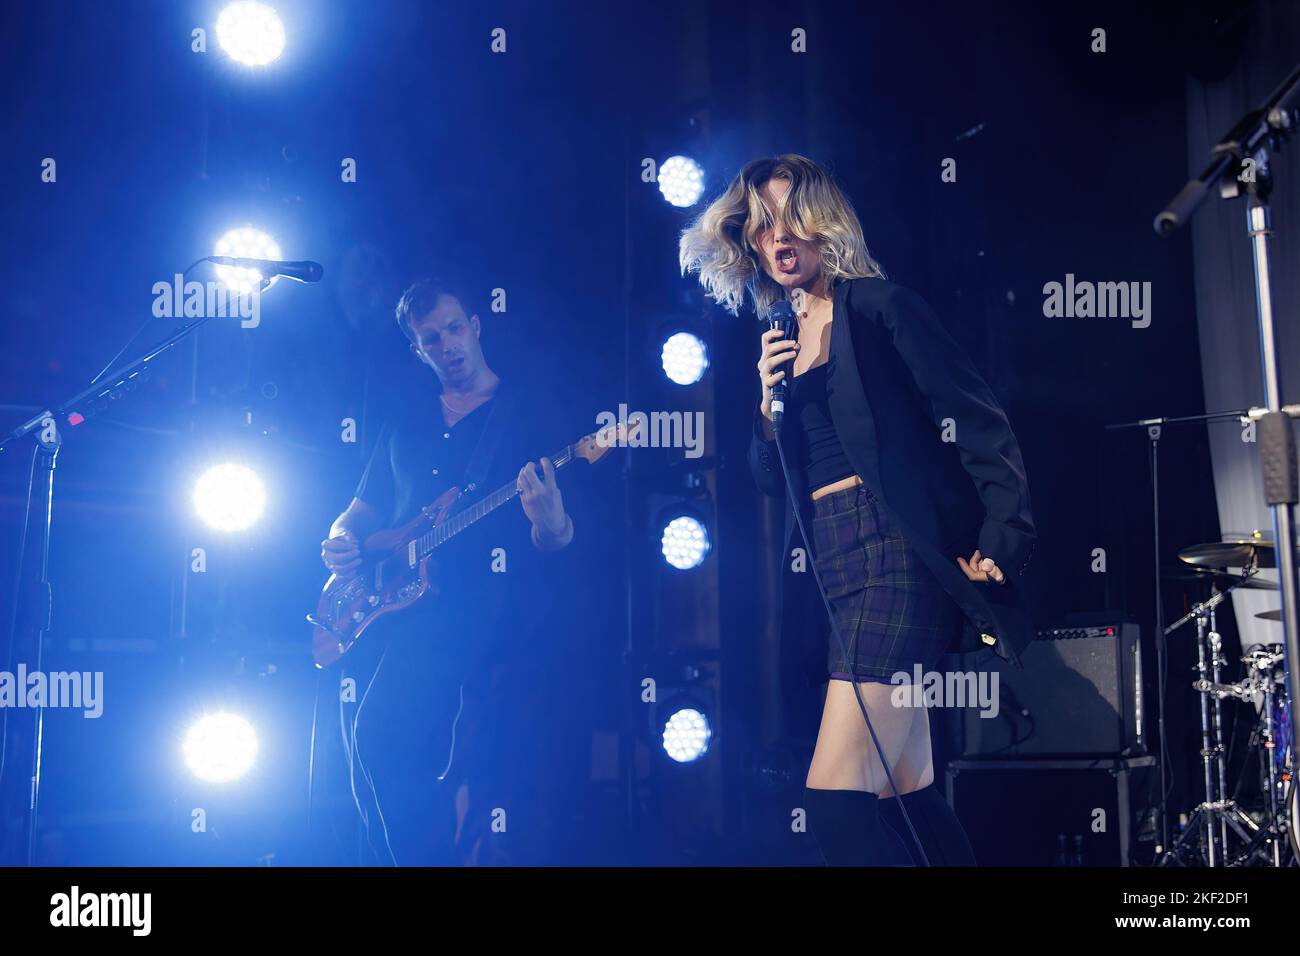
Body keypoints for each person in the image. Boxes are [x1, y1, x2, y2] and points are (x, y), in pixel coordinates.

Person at [679, 155, 1035, 866]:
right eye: (760, 226)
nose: (776, 238)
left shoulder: (880, 308)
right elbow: (772, 482)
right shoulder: (780, 339)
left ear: (822, 223)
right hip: (833, 570)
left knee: (834, 806)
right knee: (906, 798)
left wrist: (1002, 534)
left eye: (789, 219)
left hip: (892, 557)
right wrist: (764, 405)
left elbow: (979, 419)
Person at [319, 276, 574, 865]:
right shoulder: (404, 418)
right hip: (393, 608)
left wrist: (551, 522)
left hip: (478, 614)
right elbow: (358, 512)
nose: (447, 344)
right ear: (417, 349)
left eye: (455, 329)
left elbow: (560, 541)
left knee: (380, 741)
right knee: (362, 760)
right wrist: (338, 540)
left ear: (476, 326)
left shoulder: (525, 415)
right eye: (431, 338)